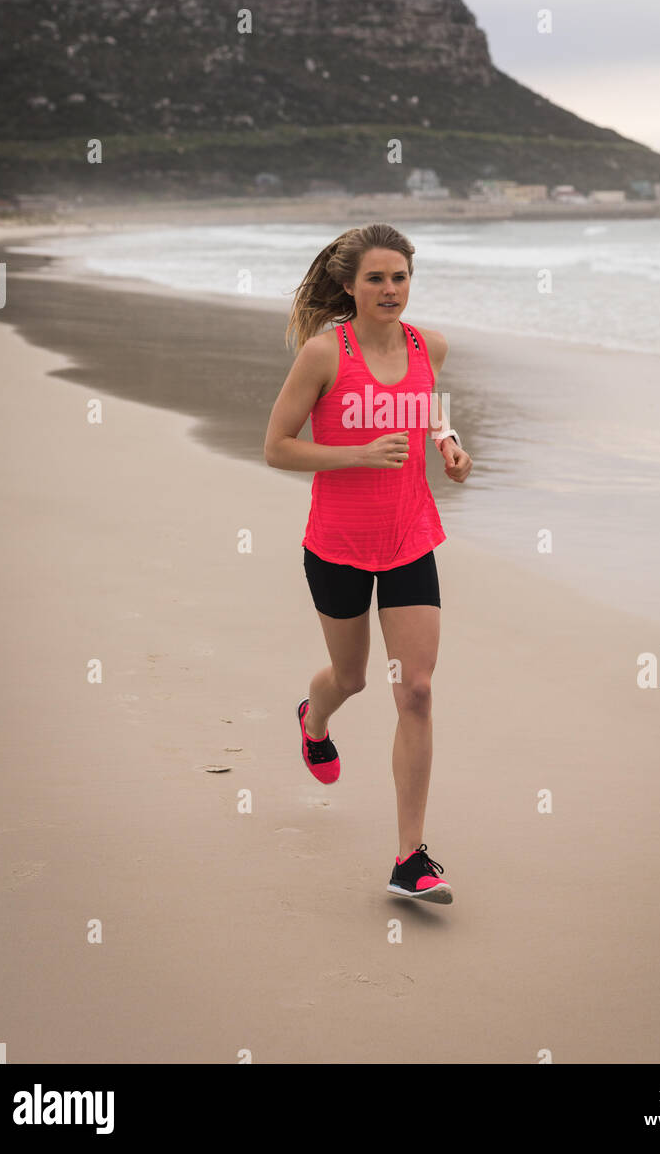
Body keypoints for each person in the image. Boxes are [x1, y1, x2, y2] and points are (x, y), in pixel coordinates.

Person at [264, 223, 472, 903]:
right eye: (377, 278)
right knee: (351, 678)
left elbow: (429, 405)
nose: (390, 290)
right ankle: (313, 719)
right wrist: (356, 454)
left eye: (400, 277)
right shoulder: (326, 354)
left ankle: (410, 857)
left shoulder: (427, 346)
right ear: (349, 285)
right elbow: (277, 447)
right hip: (338, 544)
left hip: (411, 535)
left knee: (416, 689)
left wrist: (446, 442)